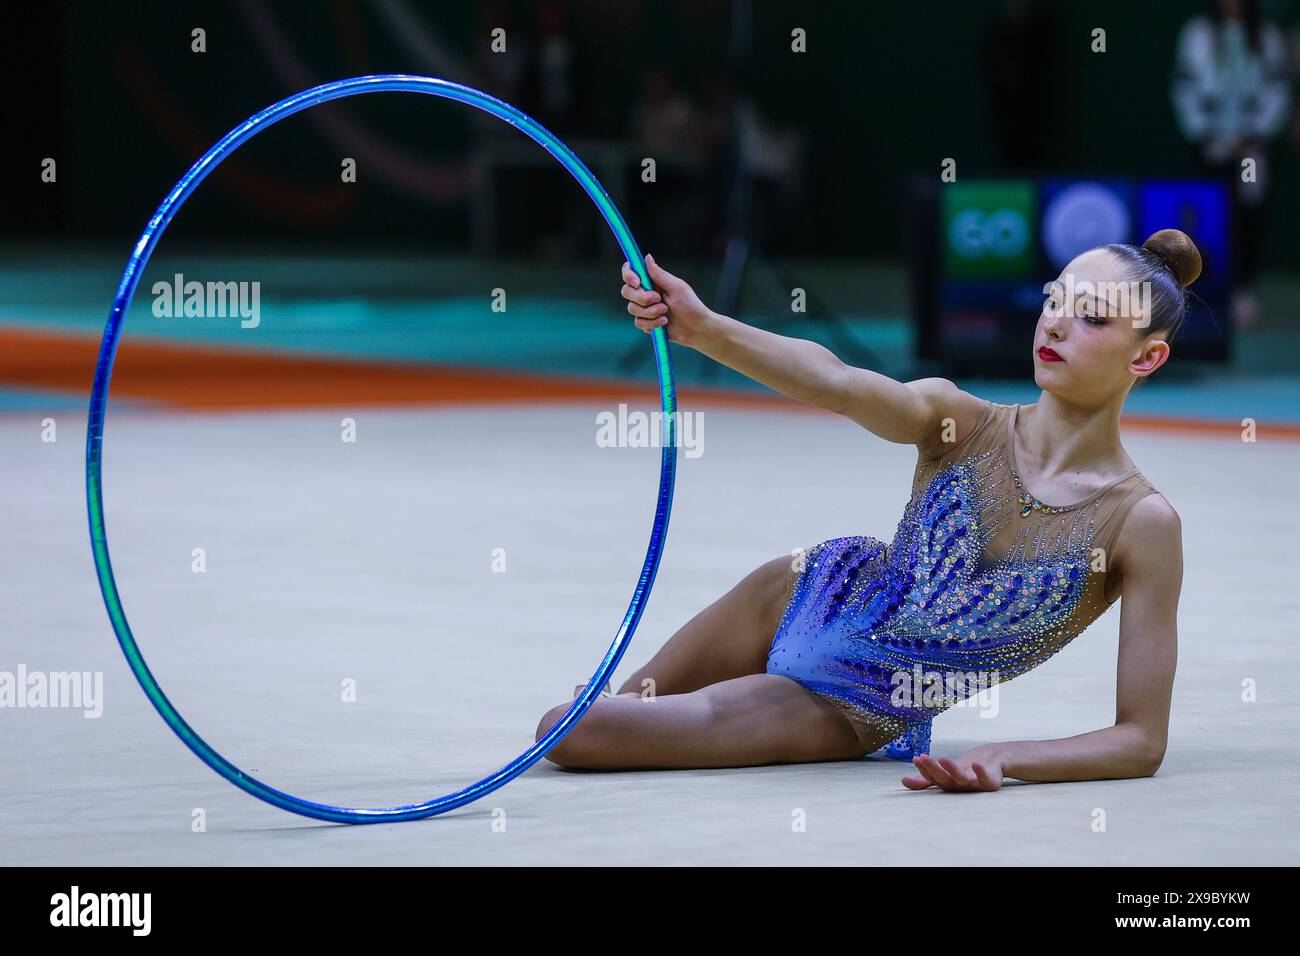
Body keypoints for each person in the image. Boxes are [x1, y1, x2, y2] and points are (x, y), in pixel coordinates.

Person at [535, 230, 1197, 793]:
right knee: (614, 711)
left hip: (860, 701)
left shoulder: (1140, 524)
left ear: (1148, 355)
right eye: (1054, 299)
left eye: (1092, 316)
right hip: (809, 587)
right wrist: (704, 329)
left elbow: (1140, 740)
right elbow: (838, 381)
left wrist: (1006, 755)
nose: (1054, 322)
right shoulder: (958, 420)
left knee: (573, 729)